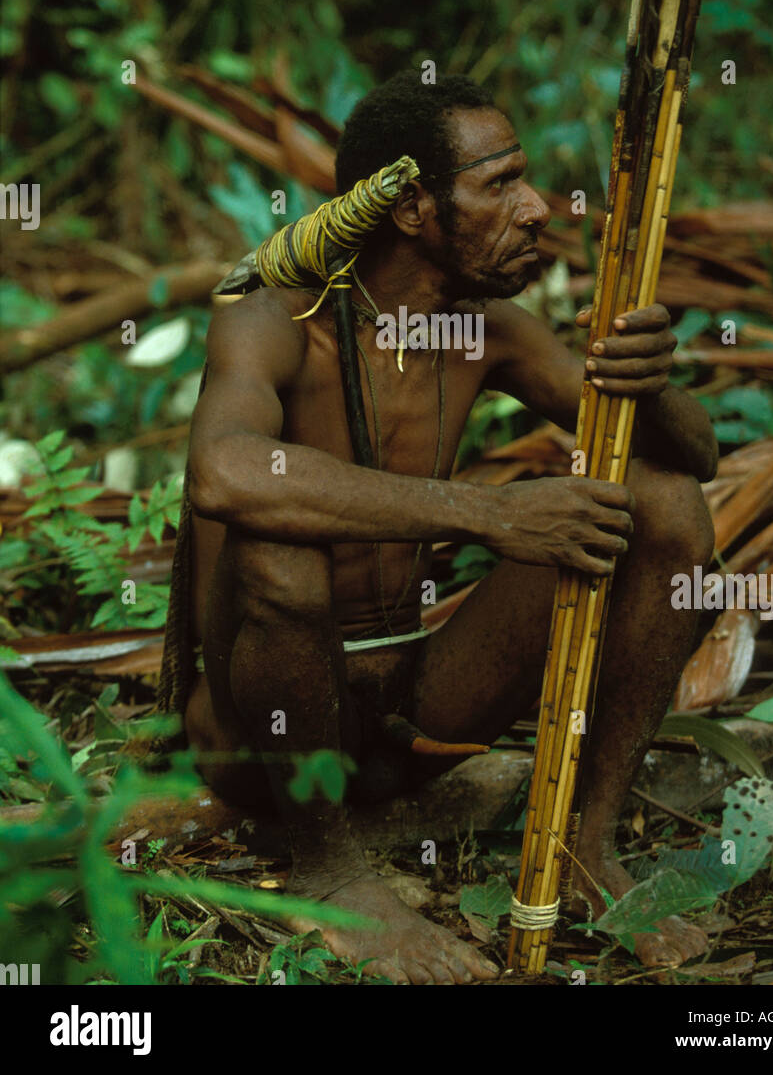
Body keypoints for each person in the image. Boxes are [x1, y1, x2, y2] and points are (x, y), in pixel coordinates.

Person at [179, 71, 717, 984]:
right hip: (256, 737)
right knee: (279, 549)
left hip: (415, 715)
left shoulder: (488, 330)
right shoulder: (276, 323)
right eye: (499, 184)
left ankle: (588, 850)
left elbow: (693, 459)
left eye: (526, 180)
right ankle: (330, 869)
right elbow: (223, 473)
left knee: (665, 507)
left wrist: (648, 377)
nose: (538, 208)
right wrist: (492, 514)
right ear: (412, 207)